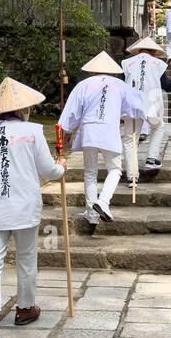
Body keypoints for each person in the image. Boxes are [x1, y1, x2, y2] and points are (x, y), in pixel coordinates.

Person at [0, 76, 66, 338]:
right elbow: (49, 171)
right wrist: (61, 168)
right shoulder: (33, 132)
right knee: (26, 258)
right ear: (23, 109)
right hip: (24, 206)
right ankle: (25, 308)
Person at [58, 50, 145, 231]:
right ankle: (103, 201)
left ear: (94, 70)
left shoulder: (84, 85)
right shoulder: (119, 85)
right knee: (115, 169)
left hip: (88, 130)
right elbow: (134, 105)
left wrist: (66, 129)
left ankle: (91, 213)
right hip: (109, 131)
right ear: (112, 70)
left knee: (90, 172)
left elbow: (72, 110)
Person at [122, 35, 168, 183]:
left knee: (130, 140)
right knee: (158, 127)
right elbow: (167, 86)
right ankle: (151, 158)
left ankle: (132, 177)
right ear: (153, 52)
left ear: (139, 50)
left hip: (131, 103)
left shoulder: (126, 63)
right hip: (151, 103)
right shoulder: (158, 64)